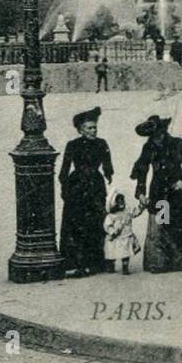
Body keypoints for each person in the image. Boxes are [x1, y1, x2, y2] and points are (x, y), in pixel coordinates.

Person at [131, 115, 182, 272]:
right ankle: (161, 262)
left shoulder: (178, 143)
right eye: (152, 135)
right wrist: (141, 191)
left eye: (158, 134)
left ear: (163, 131)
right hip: (160, 191)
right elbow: (142, 169)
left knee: (181, 222)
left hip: (178, 190)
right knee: (162, 222)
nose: (156, 138)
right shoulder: (148, 147)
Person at [59, 106, 113, 277]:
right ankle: (76, 264)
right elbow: (64, 170)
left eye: (95, 127)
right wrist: (65, 189)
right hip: (77, 187)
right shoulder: (72, 145)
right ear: (80, 130)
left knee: (97, 223)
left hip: (96, 186)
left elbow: (107, 165)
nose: (93, 131)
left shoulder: (102, 143)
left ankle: (96, 263)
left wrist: (109, 174)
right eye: (89, 128)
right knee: (76, 225)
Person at [103, 192, 143, 275]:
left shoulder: (127, 211)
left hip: (125, 236)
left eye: (122, 200)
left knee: (125, 253)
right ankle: (111, 265)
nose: (121, 203)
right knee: (111, 251)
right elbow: (108, 225)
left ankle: (125, 267)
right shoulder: (111, 215)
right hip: (115, 237)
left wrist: (141, 206)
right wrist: (112, 231)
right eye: (119, 201)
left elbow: (135, 212)